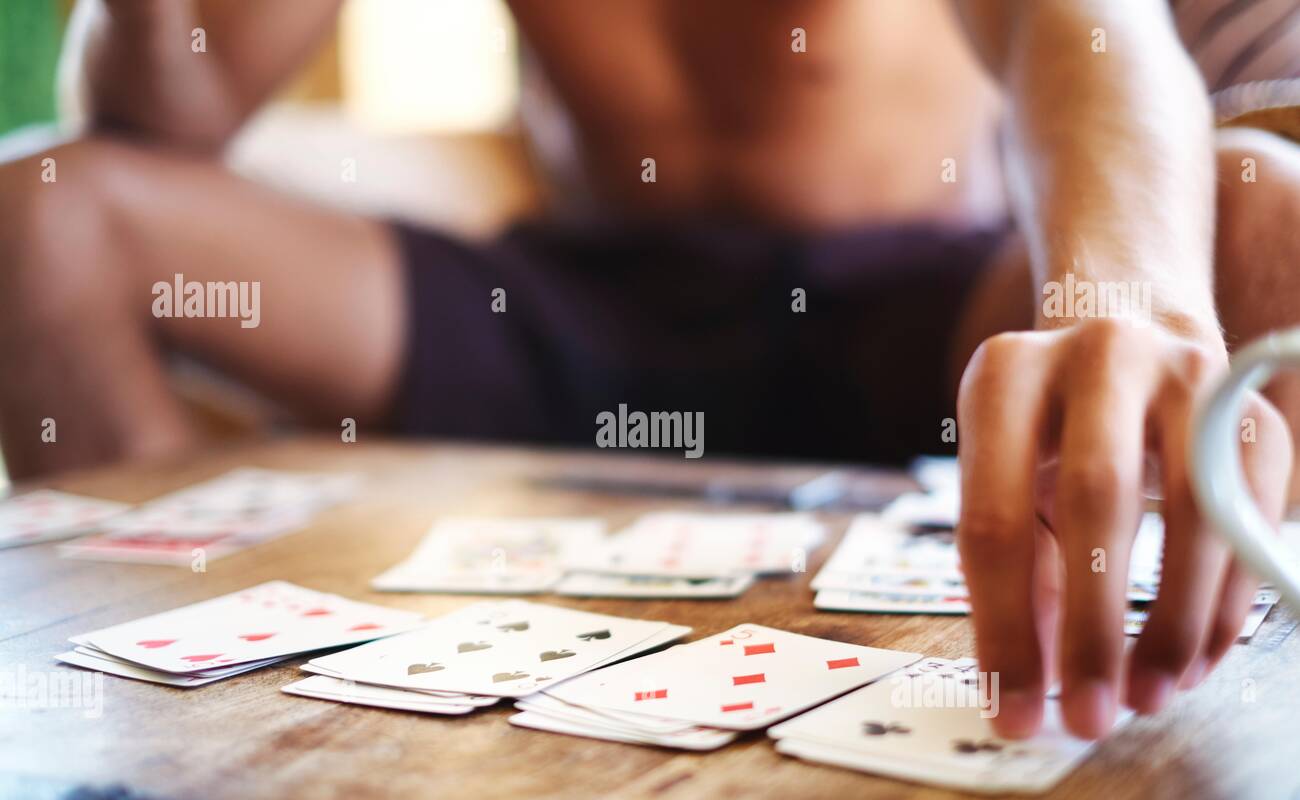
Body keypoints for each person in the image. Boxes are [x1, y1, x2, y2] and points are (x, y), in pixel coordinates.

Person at [1, 0, 1298, 740]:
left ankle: (1175, 739)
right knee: (44, 211)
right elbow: (156, 113)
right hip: (578, 311)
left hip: (922, 313)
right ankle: (186, 726)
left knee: (1261, 207)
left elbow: (1083, 23)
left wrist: (1115, 287)